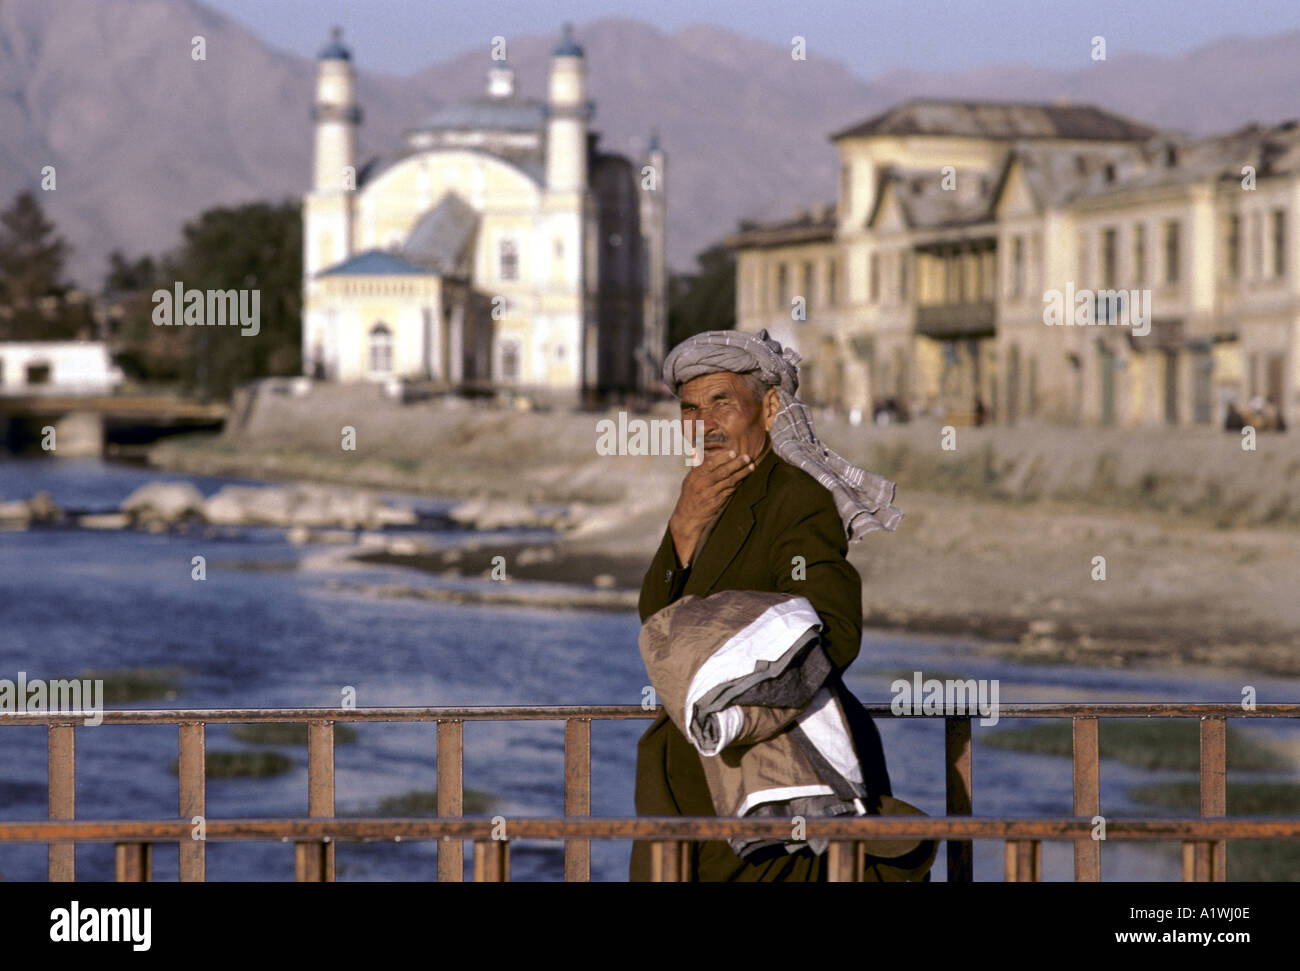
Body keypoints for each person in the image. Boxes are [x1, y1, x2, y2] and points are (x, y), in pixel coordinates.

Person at [630, 328, 903, 881]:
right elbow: (656, 624)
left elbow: (835, 629)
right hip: (686, 789)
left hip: (771, 786)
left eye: (722, 403)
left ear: (770, 406)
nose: (703, 424)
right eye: (690, 409)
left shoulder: (794, 496)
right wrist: (682, 528)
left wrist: (736, 698)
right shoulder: (702, 496)